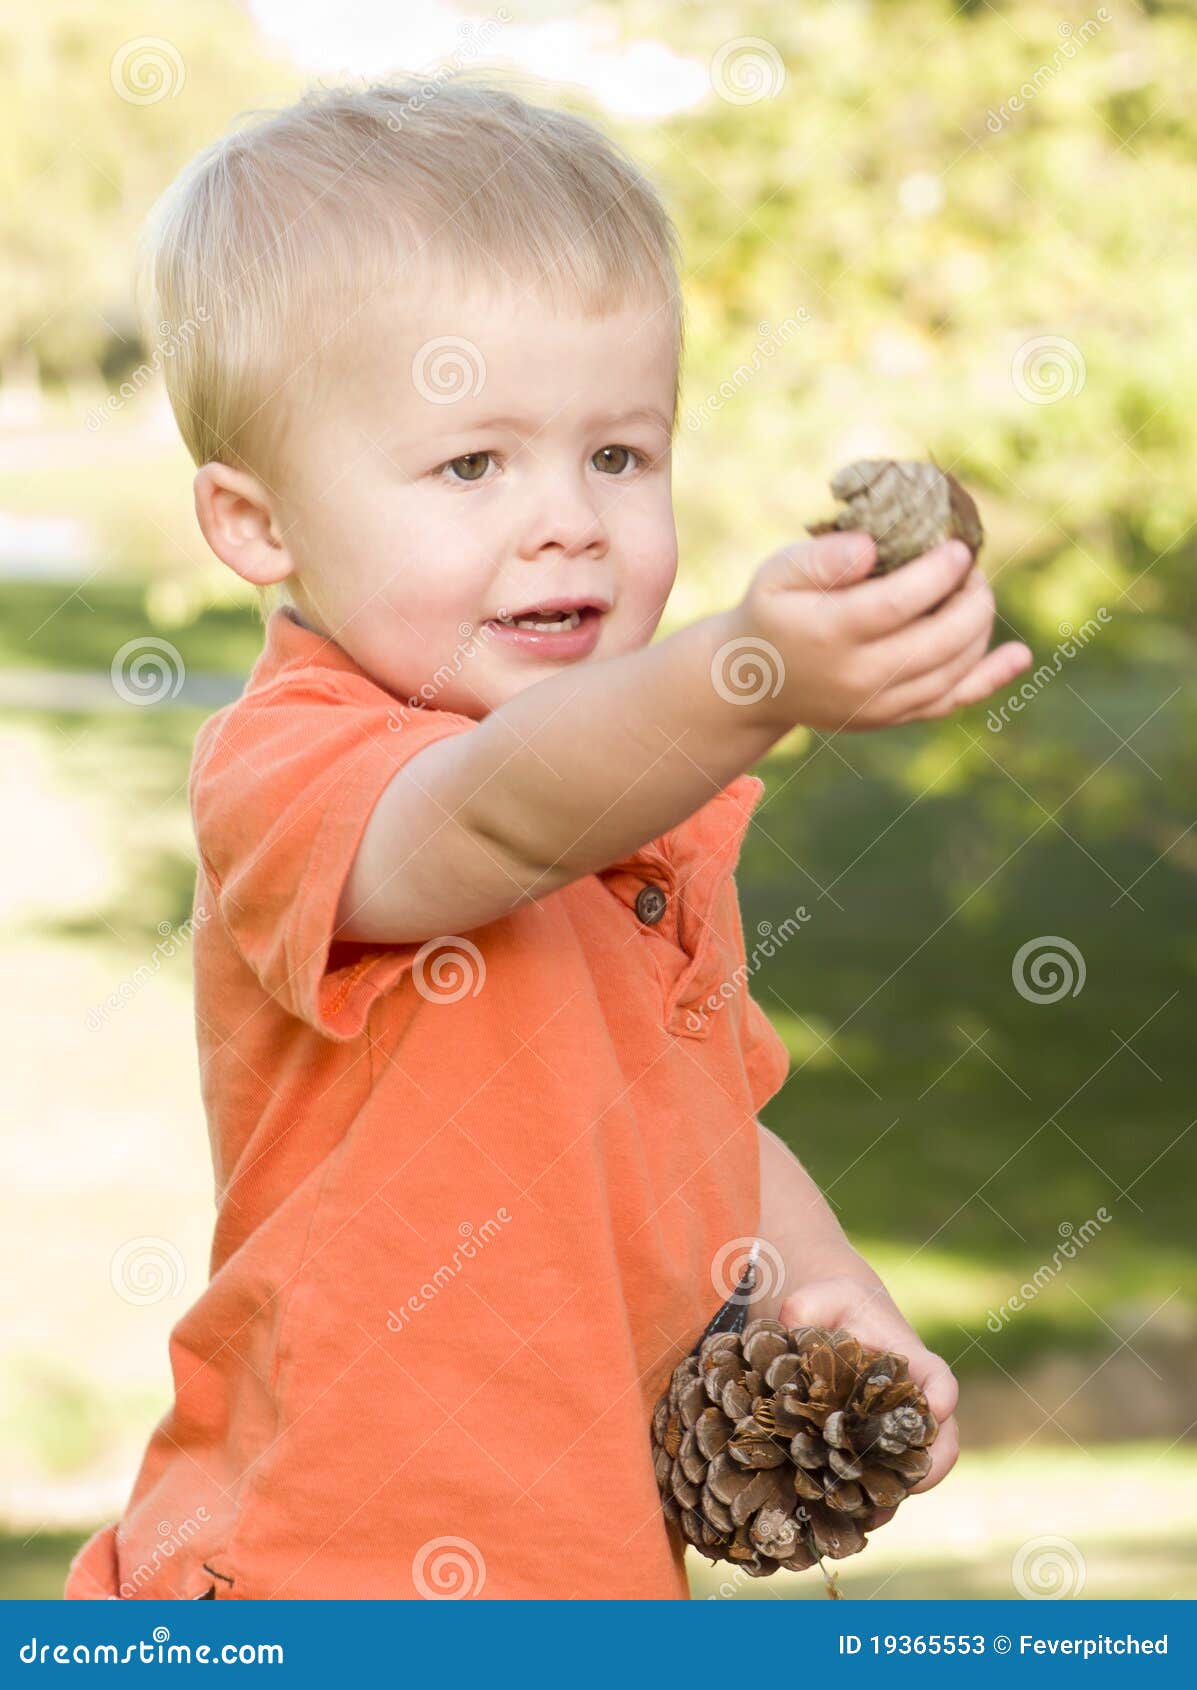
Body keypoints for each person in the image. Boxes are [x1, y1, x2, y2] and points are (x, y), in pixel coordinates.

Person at [65, 77, 1030, 1601]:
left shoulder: (634, 829)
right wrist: (746, 677)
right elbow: (493, 811)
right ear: (258, 526)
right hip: (312, 1580)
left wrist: (822, 1278)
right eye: (471, 464)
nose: (567, 521)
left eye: (618, 456)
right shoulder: (296, 766)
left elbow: (697, 1115)